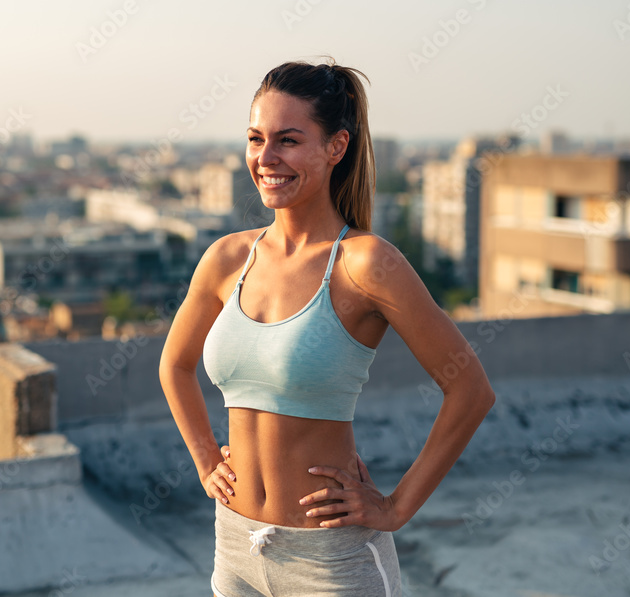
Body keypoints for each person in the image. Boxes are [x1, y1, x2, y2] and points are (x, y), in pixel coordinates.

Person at [159, 59, 496, 597]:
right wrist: (205, 461)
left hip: (332, 563)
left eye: (288, 141)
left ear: (335, 147)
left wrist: (395, 506)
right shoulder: (226, 258)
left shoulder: (365, 264)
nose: (266, 159)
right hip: (236, 549)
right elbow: (174, 365)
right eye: (255, 139)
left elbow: (470, 389)